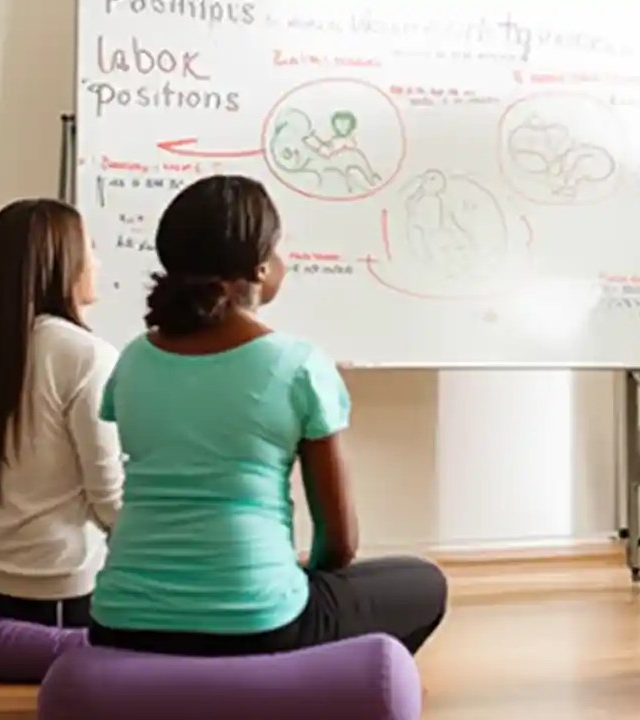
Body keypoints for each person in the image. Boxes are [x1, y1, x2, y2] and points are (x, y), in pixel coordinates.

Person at [88, 174, 448, 657]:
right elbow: (339, 544)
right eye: (279, 249)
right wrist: (278, 579)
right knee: (424, 583)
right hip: (257, 626)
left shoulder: (132, 361)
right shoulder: (298, 366)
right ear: (259, 270)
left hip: (119, 621)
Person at [0, 199, 123, 628]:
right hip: (60, 588)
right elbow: (109, 500)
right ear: (61, 263)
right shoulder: (84, 355)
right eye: (89, 247)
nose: (95, 260)